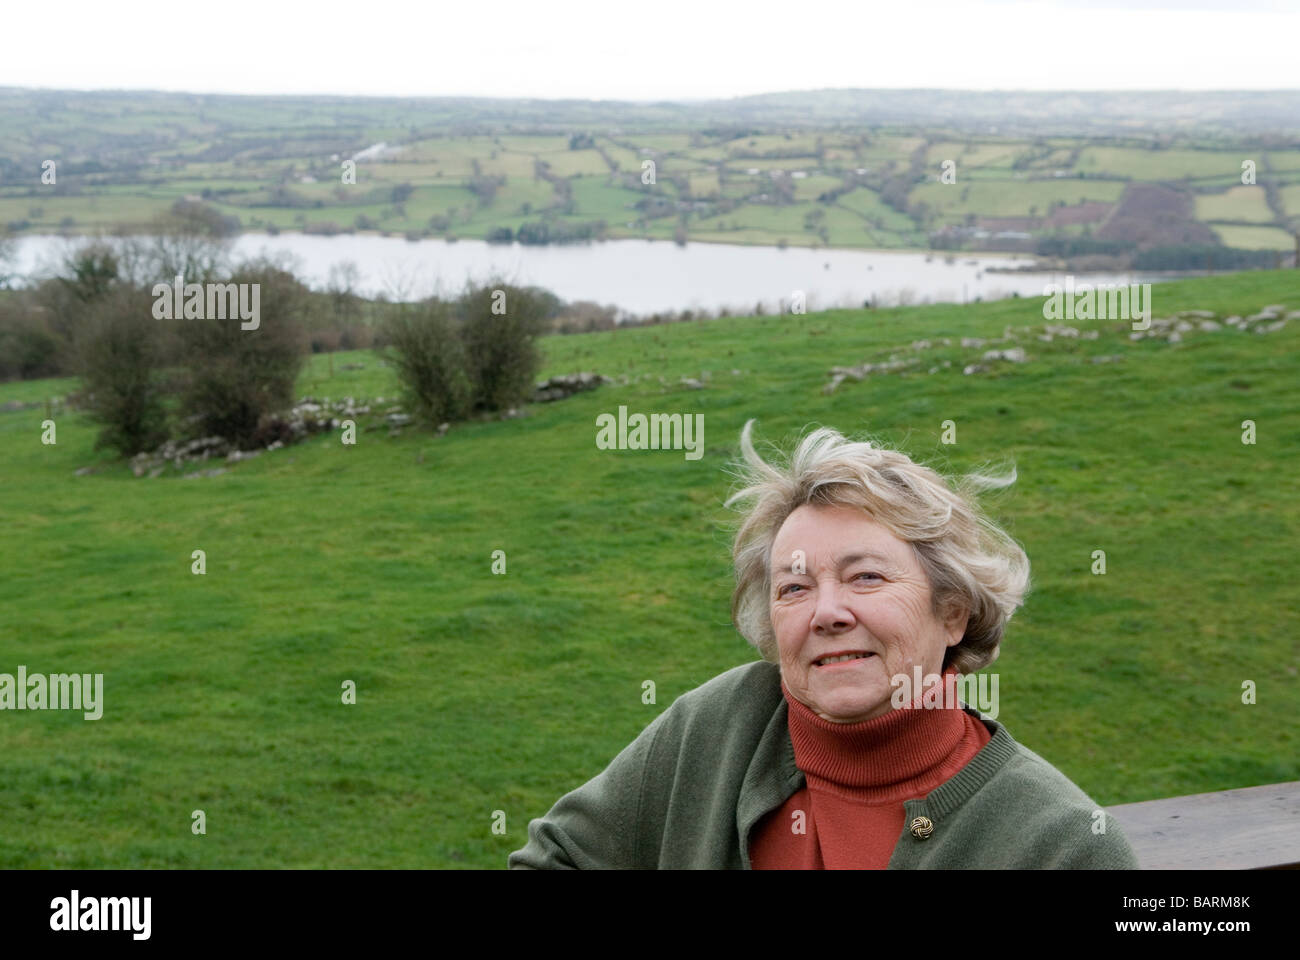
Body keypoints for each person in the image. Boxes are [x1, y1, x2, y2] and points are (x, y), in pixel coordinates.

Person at [509, 421, 1139, 869]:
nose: (827, 612)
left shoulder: (1062, 845)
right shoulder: (717, 728)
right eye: (794, 587)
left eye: (866, 577)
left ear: (952, 613)